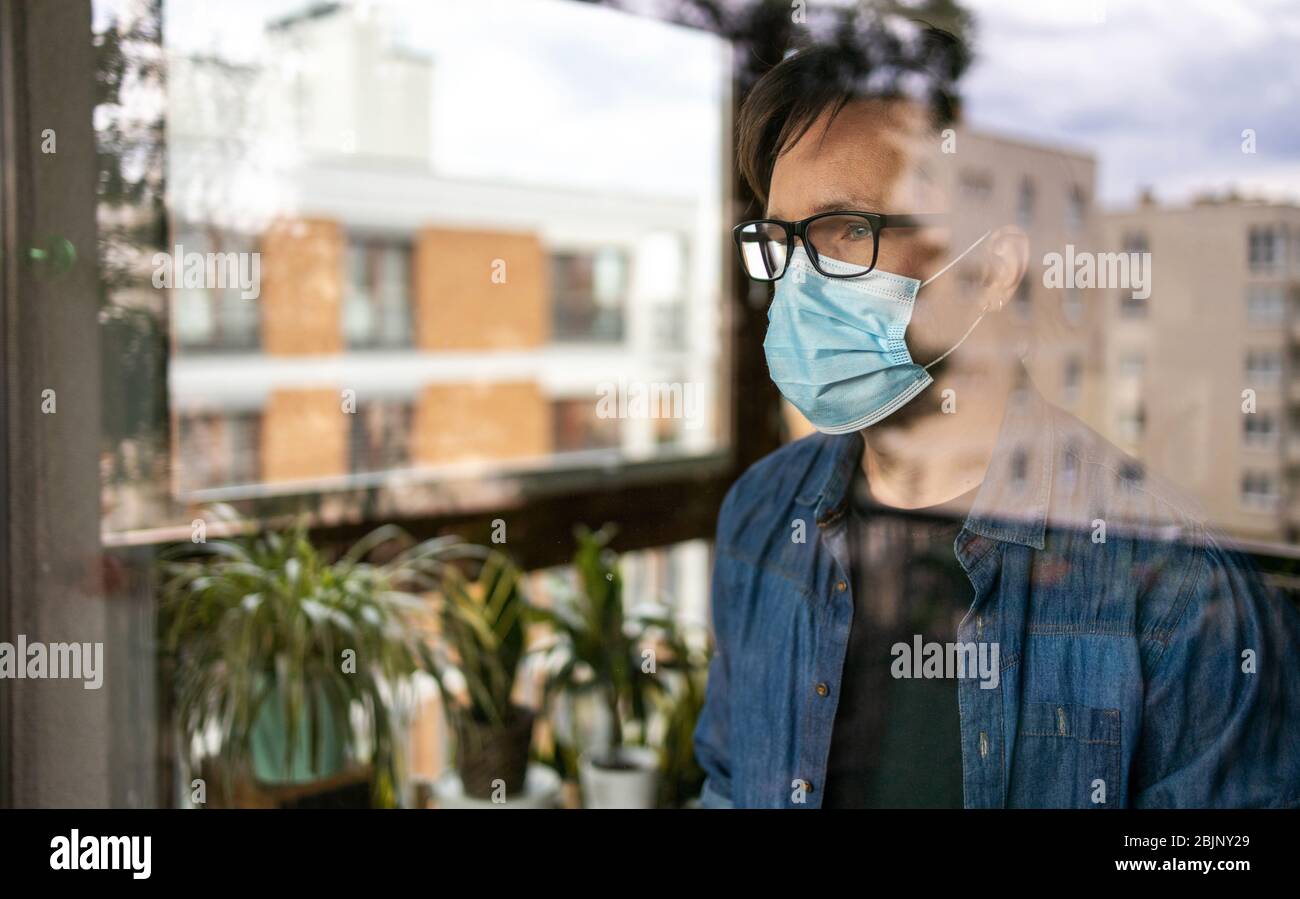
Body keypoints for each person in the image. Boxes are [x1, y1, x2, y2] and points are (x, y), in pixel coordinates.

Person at [692, 43, 1300, 808]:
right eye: (782, 241)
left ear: (991, 267)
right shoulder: (760, 515)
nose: (799, 281)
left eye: (846, 230)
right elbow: (726, 780)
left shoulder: (1177, 592)